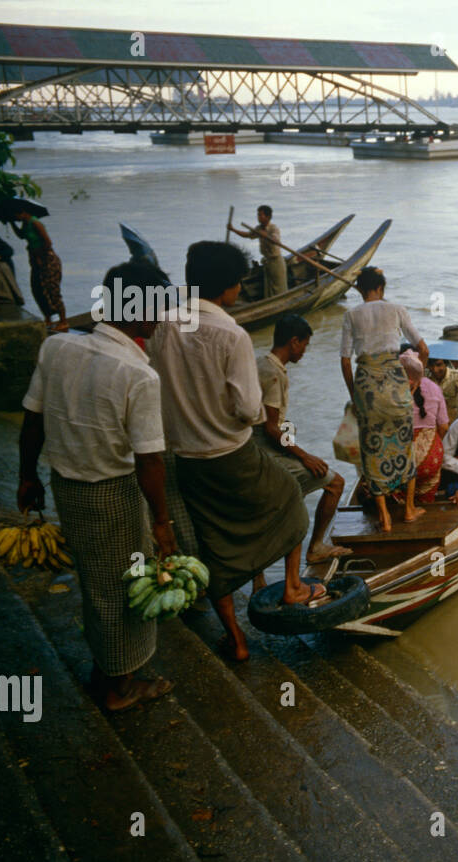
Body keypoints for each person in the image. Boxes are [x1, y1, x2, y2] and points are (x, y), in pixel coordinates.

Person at [18, 259, 176, 710]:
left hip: (66, 485)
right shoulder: (139, 376)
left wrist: (27, 476)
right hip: (113, 494)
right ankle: (120, 687)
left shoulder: (57, 348)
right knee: (125, 590)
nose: (163, 319)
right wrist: (162, 522)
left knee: (96, 581)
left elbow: (33, 420)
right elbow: (149, 460)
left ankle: (108, 667)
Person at [148, 240, 314, 663]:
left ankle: (237, 641)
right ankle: (293, 587)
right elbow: (247, 411)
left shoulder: (163, 324)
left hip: (185, 460)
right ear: (229, 288)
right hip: (231, 456)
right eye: (239, 283)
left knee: (214, 545)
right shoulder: (231, 335)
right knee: (291, 502)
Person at [251, 313, 350, 585]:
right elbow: (272, 428)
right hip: (265, 449)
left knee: (264, 515)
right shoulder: (274, 373)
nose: (305, 351)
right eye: (304, 345)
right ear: (294, 342)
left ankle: (257, 578)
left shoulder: (258, 363)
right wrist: (304, 456)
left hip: (251, 447)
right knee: (335, 483)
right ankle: (316, 547)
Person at [339, 266, 429, 534]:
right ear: (381, 288)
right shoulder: (396, 309)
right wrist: (415, 383)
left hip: (366, 386)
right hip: (395, 384)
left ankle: (385, 518)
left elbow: (345, 361)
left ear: (360, 289)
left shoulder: (351, 315)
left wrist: (354, 394)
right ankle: (410, 509)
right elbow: (422, 349)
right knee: (404, 444)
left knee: (372, 449)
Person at [399, 348, 450, 502]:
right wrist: (429, 443)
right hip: (431, 457)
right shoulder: (434, 388)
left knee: (397, 498)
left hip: (403, 459)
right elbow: (444, 427)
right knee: (425, 499)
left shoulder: (393, 389)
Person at [10, 209, 66, 331]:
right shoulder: (25, 223)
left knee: (52, 289)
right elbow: (21, 235)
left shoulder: (35, 223)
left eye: (16, 215)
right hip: (36, 262)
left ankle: (63, 321)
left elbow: (48, 242)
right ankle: (48, 318)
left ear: (24, 212)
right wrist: (12, 223)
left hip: (47, 260)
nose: (16, 218)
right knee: (37, 289)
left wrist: (40, 256)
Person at [227, 205, 286, 298]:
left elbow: (276, 241)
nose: (258, 217)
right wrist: (233, 230)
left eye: (260, 215)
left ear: (268, 217)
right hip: (267, 262)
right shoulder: (258, 228)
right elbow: (248, 235)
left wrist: (266, 235)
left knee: (279, 287)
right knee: (269, 287)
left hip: (276, 262)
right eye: (258, 215)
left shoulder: (273, 228)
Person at [428, 354, 458, 423]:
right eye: (431, 366)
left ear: (446, 364)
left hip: (452, 419)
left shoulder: (455, 375)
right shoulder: (426, 377)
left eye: (438, 365)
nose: (435, 370)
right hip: (432, 419)